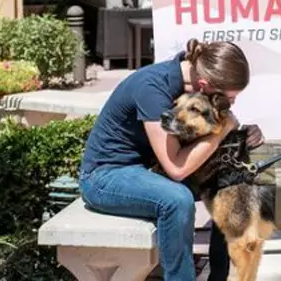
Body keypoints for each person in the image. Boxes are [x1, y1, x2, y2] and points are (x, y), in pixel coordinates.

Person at [78, 38, 265, 281]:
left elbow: (215, 125)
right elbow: (177, 168)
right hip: (105, 176)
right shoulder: (153, 89)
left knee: (231, 183)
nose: (232, 105)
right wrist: (222, 130)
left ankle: (219, 275)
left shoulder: (194, 85)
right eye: (229, 99)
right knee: (176, 200)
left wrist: (245, 134)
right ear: (205, 84)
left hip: (146, 171)